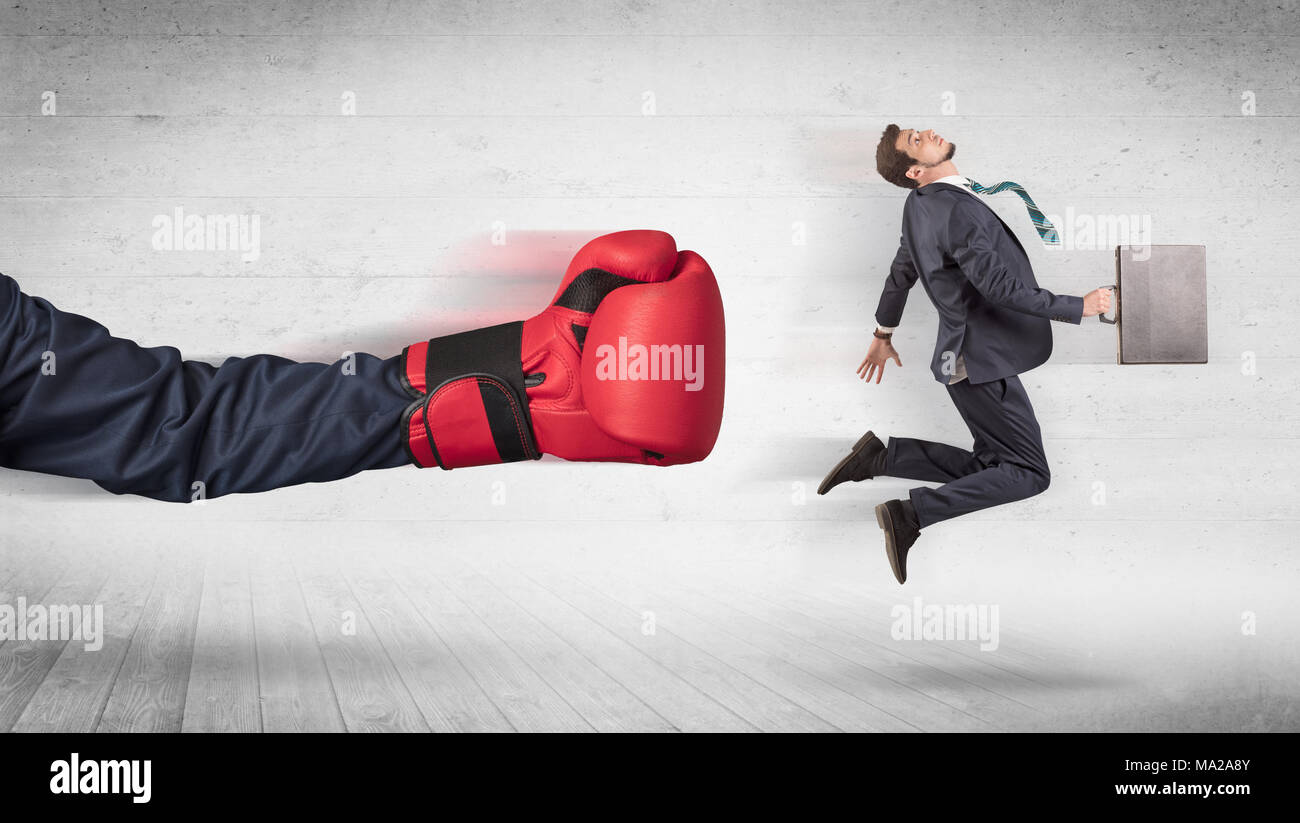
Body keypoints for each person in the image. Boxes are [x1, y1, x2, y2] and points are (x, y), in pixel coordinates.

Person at [818, 126, 1113, 584]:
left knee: (993, 467)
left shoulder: (921, 205)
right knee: (1030, 474)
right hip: (981, 359)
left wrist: (883, 331)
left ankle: (883, 458)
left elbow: (901, 273)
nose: (926, 132)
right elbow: (998, 288)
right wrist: (1080, 306)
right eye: (915, 141)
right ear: (915, 170)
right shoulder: (952, 208)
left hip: (961, 359)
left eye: (917, 131)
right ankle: (911, 514)